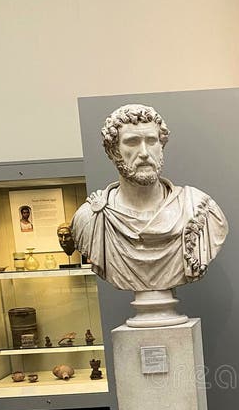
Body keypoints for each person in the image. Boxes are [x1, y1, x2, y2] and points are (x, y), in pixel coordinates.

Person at [71, 104, 228, 292]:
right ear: (114, 151)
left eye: (152, 141)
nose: (144, 153)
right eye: (132, 142)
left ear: (161, 147)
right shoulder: (91, 218)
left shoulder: (199, 208)